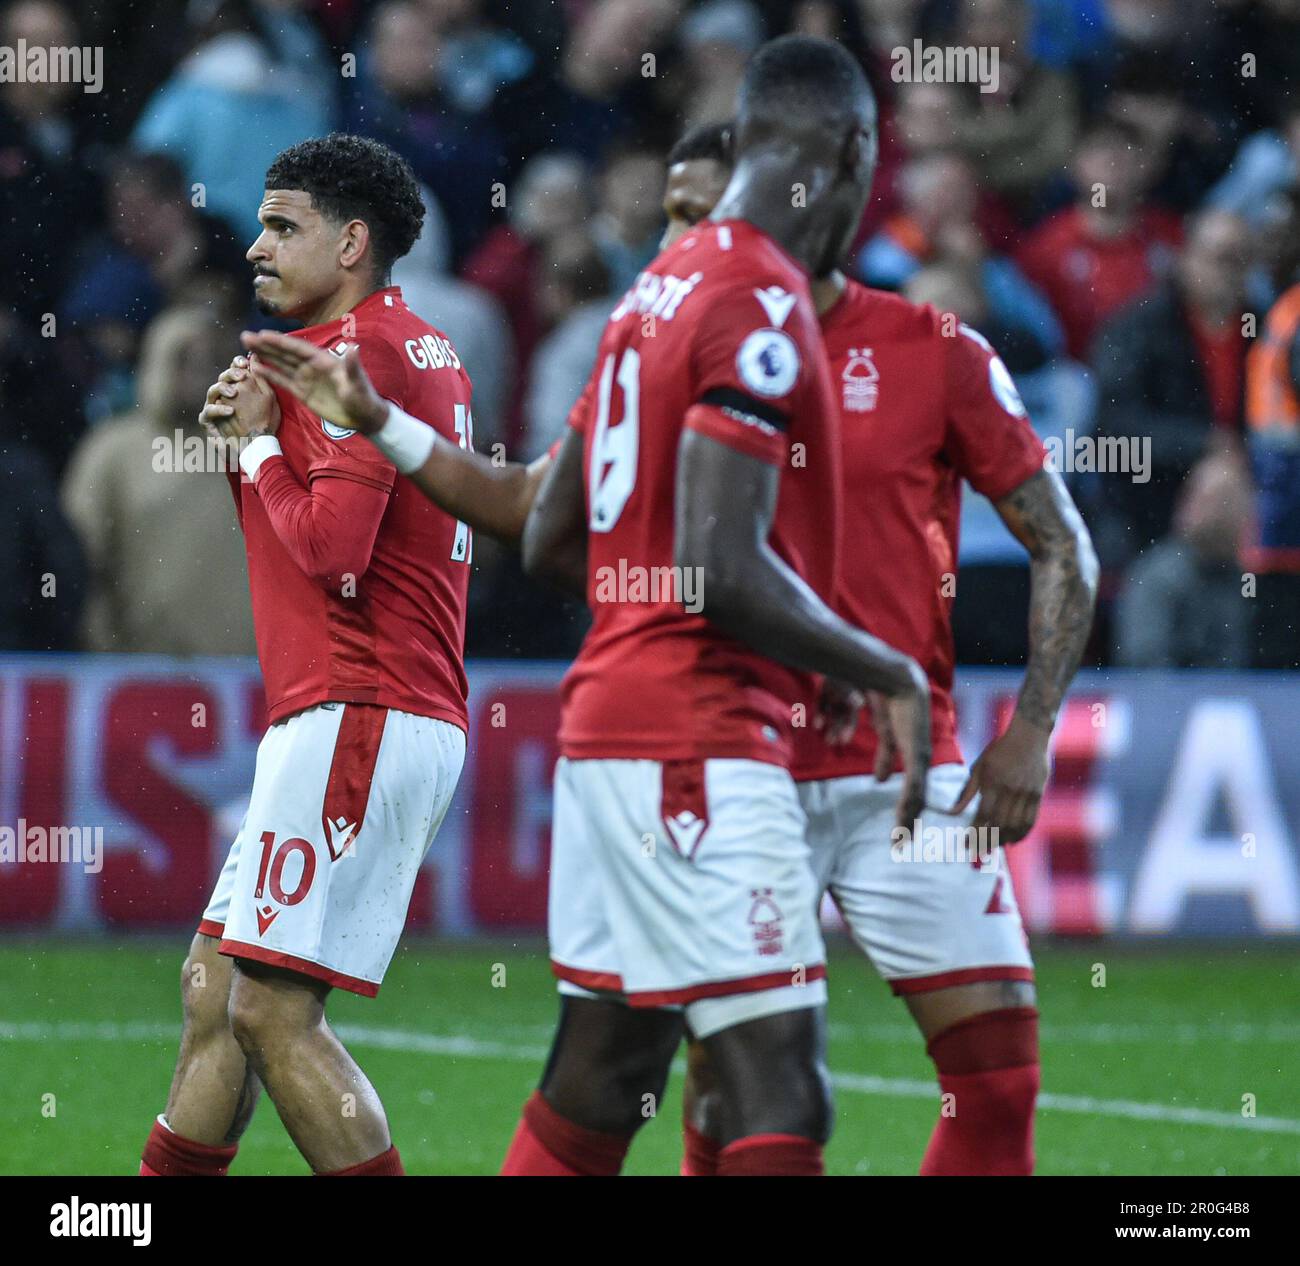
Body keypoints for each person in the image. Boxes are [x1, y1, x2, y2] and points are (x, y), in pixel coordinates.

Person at [249, 105, 1099, 1175]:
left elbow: (1059, 543)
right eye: (673, 214)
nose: (678, 239)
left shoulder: (922, 350)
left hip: (883, 765)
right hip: (723, 744)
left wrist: (1021, 729)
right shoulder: (673, 328)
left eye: (701, 209)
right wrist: (860, 659)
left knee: (976, 1073)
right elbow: (587, 531)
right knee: (717, 1079)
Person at [139, 134, 473, 1179]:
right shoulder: (411, 345)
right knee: (216, 992)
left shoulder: (360, 361)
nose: (254, 246)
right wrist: (261, 439)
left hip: (360, 707)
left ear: (353, 240)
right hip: (355, 705)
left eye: (283, 225)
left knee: (273, 1011)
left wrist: (249, 444)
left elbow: (333, 556)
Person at [61, 306, 256, 656]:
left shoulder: (254, 449)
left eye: (212, 358)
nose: (200, 371)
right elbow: (80, 560)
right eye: (183, 358)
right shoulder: (111, 451)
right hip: (138, 665)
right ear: (155, 362)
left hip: (245, 670)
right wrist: (100, 642)